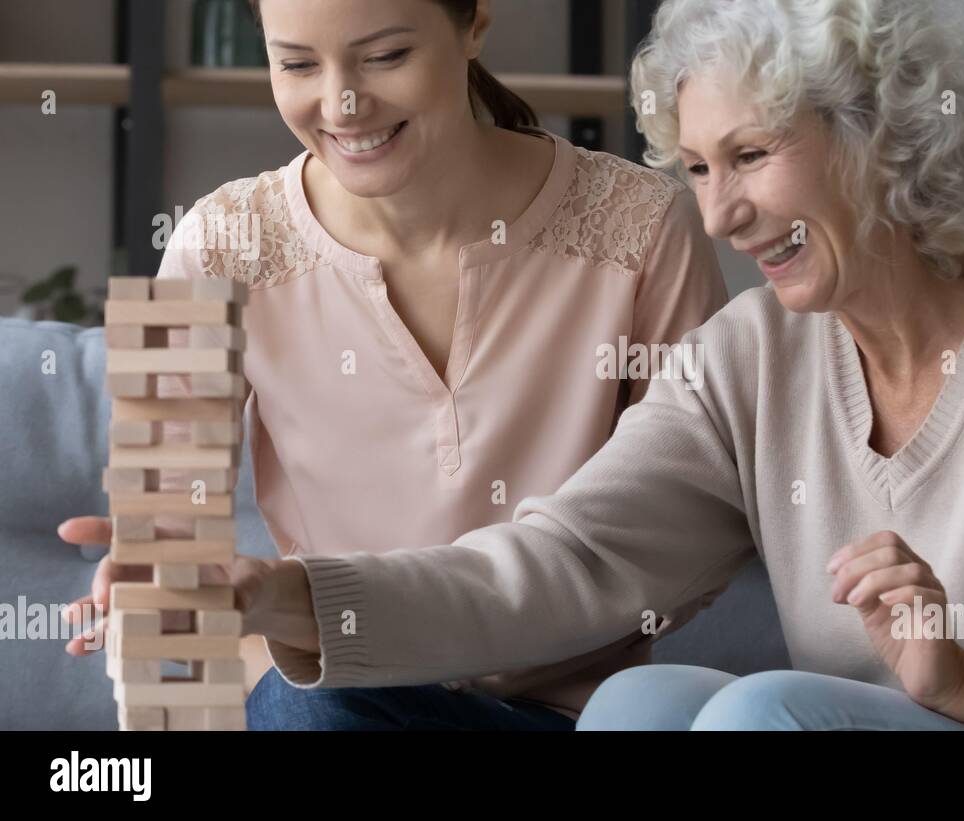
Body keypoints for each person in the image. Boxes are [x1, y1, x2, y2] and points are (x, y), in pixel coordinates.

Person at [57, 0, 728, 731]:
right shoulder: (210, 246)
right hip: (327, 695)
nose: (342, 102)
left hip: (563, 714)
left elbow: (680, 543)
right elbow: (163, 572)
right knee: (312, 703)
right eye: (298, 64)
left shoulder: (648, 227)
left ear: (473, 23)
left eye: (384, 57)